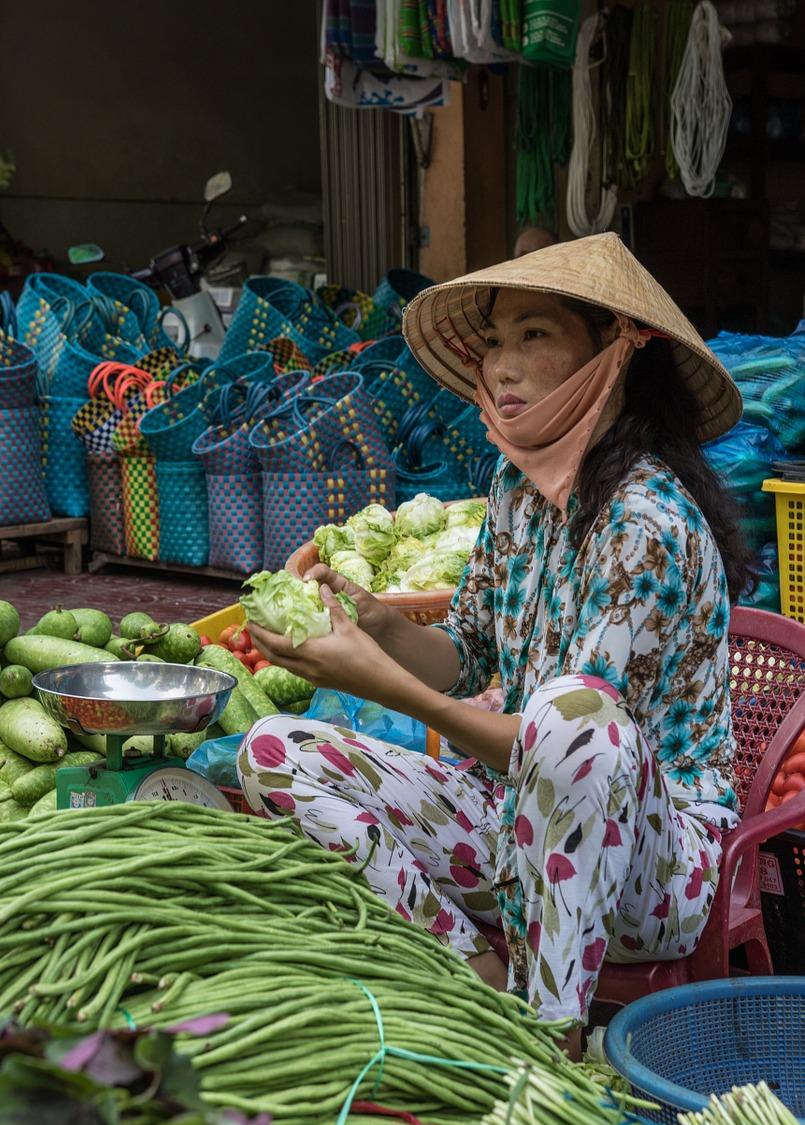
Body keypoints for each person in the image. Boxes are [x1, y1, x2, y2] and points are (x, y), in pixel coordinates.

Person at [237, 233, 746, 1054]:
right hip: (513, 828)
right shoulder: (518, 489)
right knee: (271, 751)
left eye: (533, 334)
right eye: (495, 342)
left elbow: (565, 746)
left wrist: (382, 685)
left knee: (574, 716)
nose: (500, 366)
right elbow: (466, 655)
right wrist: (371, 622)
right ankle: (474, 973)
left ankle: (551, 1036)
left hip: (649, 873)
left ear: (615, 351)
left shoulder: (646, 524)